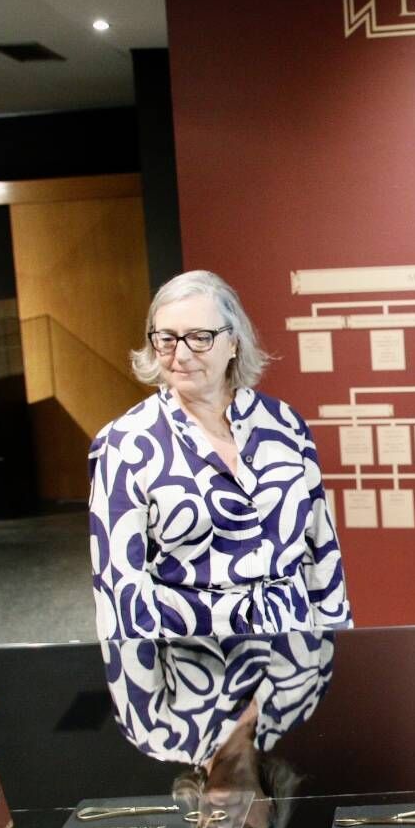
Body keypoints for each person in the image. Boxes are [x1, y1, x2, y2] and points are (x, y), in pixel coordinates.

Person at [90, 271, 350, 636]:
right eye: (166, 339)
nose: (180, 355)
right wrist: (142, 685)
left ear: (233, 343)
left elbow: (321, 550)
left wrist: (336, 652)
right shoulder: (125, 443)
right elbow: (119, 587)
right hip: (193, 663)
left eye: (199, 338)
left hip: (292, 653)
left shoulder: (285, 425)